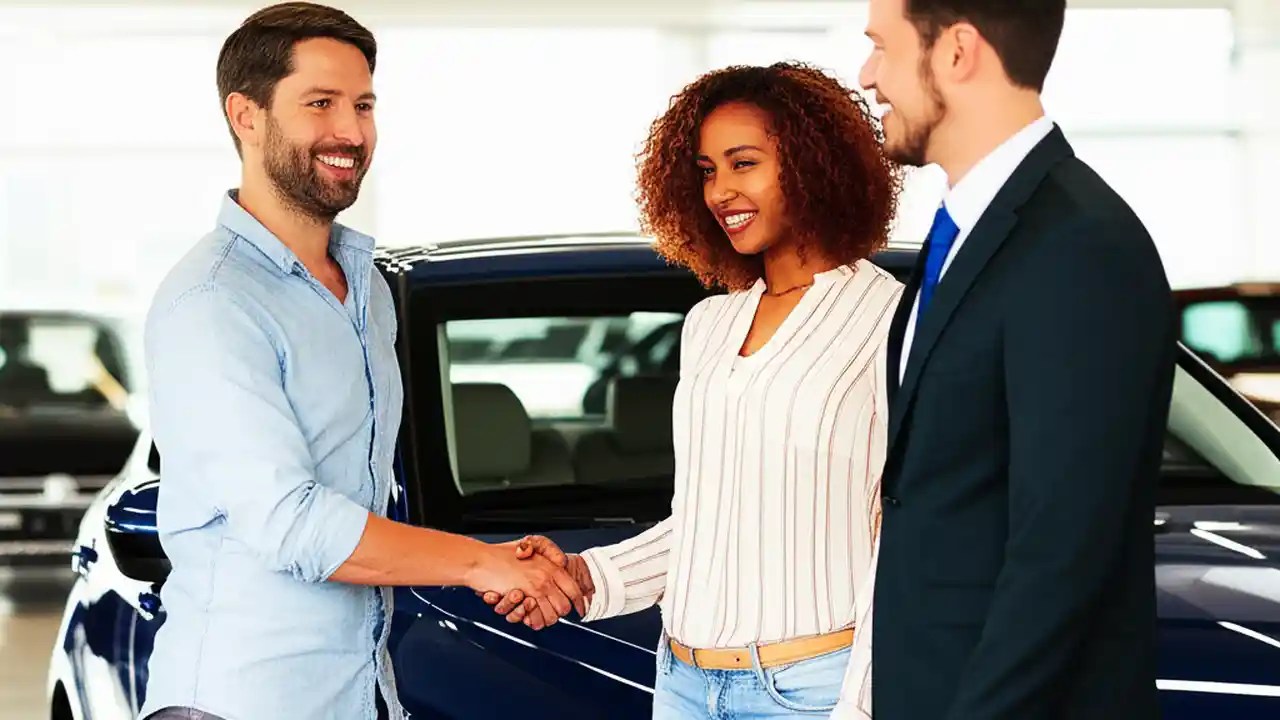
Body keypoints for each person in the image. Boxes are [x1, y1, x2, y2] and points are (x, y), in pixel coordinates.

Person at [140, 4, 582, 720]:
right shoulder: (212, 302)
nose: (351, 132)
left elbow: (368, 496)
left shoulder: (364, 285)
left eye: (364, 105)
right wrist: (481, 562)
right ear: (245, 116)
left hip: (358, 694)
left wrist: (500, 556)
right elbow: (291, 521)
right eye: (321, 104)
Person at [486, 62, 901, 719]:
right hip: (684, 684)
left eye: (744, 163)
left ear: (816, 166)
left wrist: (861, 703)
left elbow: (901, 535)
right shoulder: (712, 322)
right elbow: (712, 522)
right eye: (708, 170)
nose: (721, 191)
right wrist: (585, 575)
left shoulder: (892, 322)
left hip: (810, 692)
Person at [851, 1, 1176, 718]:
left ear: (957, 51)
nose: (868, 75)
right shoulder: (966, 233)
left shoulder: (1080, 248)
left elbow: (1060, 554)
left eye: (881, 46)